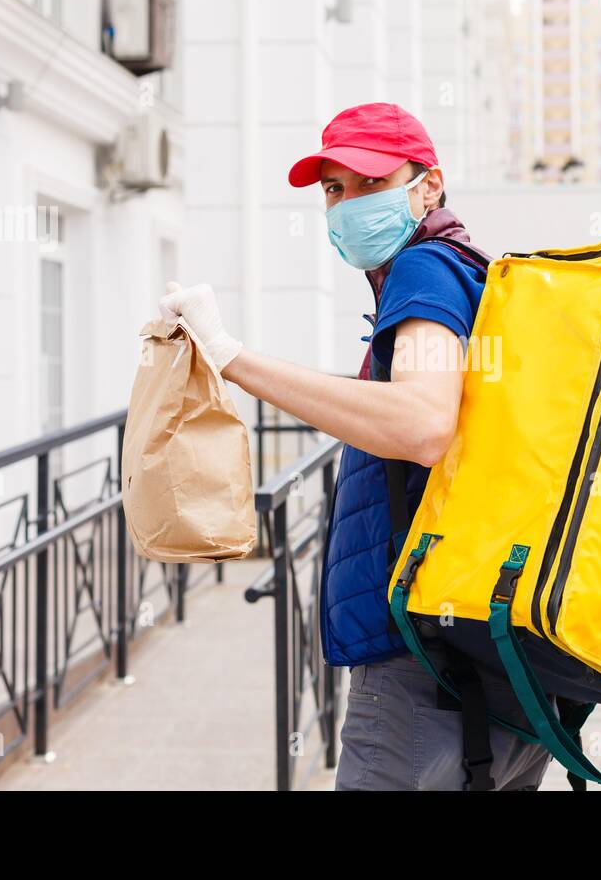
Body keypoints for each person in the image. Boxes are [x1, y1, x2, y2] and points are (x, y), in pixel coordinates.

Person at [157, 102, 552, 790]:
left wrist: (229, 356)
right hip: (494, 665)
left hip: (421, 671)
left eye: (371, 184)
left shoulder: (425, 270)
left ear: (427, 186)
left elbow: (421, 424)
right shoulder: (469, 272)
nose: (347, 206)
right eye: (334, 190)